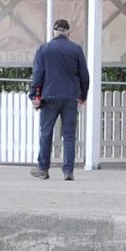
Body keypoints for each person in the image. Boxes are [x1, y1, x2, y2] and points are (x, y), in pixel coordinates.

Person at [27, 18, 90, 180]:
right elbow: (84, 76)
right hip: (70, 97)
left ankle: (43, 169)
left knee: (46, 133)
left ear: (54, 32)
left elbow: (38, 74)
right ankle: (68, 171)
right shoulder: (76, 50)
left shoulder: (44, 49)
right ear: (68, 32)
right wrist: (83, 95)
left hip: (49, 96)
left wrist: (34, 94)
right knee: (69, 135)